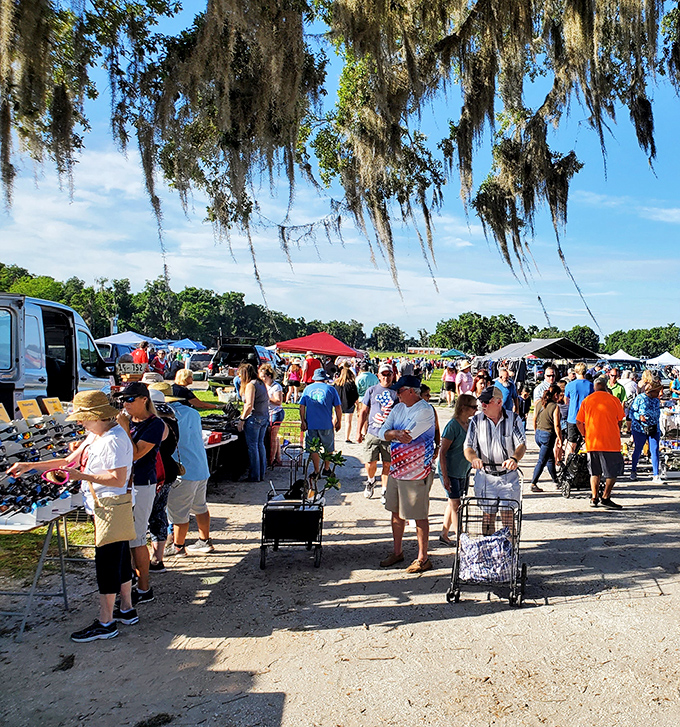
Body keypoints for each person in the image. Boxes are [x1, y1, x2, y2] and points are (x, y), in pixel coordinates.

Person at [8, 391, 134, 642]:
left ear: (96, 416)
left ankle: (106, 622)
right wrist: (30, 466)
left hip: (109, 506)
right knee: (118, 558)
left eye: (83, 418)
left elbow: (118, 478)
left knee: (107, 563)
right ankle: (127, 609)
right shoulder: (97, 435)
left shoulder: (113, 440)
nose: (79, 423)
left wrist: (82, 477)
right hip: (105, 505)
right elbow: (67, 461)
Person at [115, 381, 166, 605]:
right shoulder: (127, 420)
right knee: (127, 537)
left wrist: (124, 427)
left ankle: (144, 587)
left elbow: (135, 454)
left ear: (144, 399)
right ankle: (130, 583)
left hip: (143, 483)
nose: (125, 404)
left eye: (129, 399)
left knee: (137, 536)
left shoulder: (155, 424)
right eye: (122, 400)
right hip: (124, 483)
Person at [378, 375, 436, 574]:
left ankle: (423, 557)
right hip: (396, 468)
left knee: (419, 515)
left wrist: (392, 434)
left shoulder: (426, 411)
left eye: (400, 390)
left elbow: (408, 436)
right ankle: (397, 551)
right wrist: (394, 434)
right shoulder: (398, 408)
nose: (396, 394)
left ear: (411, 391)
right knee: (395, 512)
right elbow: (381, 431)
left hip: (416, 470)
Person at [160, 383, 215, 556]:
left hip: (182, 470)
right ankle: (204, 540)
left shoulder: (165, 417)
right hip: (200, 467)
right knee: (200, 507)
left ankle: (177, 546)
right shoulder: (193, 413)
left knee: (178, 514)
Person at [464, 386, 526, 534]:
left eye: (486, 402)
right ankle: (488, 549)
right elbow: (468, 447)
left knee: (508, 516)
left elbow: (521, 445)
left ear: (499, 402)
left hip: (507, 476)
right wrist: (474, 459)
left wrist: (514, 458)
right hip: (486, 476)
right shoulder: (476, 421)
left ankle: (509, 552)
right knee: (487, 515)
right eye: (481, 402)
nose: (482, 405)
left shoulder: (514, 419)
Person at [576, 377, 626, 509]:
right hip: (611, 442)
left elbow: (579, 421)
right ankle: (605, 497)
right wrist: (616, 430)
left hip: (592, 442)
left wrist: (584, 435)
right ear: (605, 386)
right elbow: (620, 420)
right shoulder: (614, 400)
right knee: (612, 473)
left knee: (594, 472)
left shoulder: (587, 401)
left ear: (594, 387)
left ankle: (594, 497)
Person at [146, 385, 180, 572]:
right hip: (167, 471)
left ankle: (147, 561)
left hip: (156, 473)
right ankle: (157, 559)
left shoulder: (157, 423)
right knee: (159, 514)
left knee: (148, 516)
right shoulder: (172, 419)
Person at [438, 393, 477, 545]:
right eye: (473, 407)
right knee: (456, 504)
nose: (475, 410)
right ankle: (461, 538)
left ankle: (444, 533)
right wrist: (445, 476)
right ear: (463, 407)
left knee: (452, 503)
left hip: (463, 471)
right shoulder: (452, 426)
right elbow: (442, 452)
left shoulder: (469, 424)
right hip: (450, 471)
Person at [357, 363, 398, 500]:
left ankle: (385, 490)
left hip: (390, 435)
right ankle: (370, 480)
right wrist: (359, 431)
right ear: (378, 376)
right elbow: (363, 411)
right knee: (370, 462)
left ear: (393, 375)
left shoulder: (397, 392)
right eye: (384, 375)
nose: (386, 377)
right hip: (373, 432)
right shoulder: (372, 390)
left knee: (388, 463)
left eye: (389, 374)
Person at [299, 368, 342, 478]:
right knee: (328, 448)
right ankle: (326, 469)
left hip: (311, 424)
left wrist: (303, 420)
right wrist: (338, 421)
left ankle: (316, 470)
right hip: (326, 424)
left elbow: (302, 406)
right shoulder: (331, 389)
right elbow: (338, 407)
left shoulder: (308, 389)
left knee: (314, 448)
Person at [236, 363, 270, 482]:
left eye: (240, 376)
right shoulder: (261, 383)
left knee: (253, 447)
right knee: (260, 445)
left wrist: (241, 420)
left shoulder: (251, 385)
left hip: (254, 418)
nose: (239, 378)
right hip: (264, 417)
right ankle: (261, 473)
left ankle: (254, 475)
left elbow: (249, 405)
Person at [629, 379, 663, 484]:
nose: (658, 394)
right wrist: (639, 417)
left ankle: (656, 475)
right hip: (640, 428)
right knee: (638, 449)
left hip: (653, 428)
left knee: (655, 450)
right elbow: (632, 412)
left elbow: (657, 412)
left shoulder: (656, 401)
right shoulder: (640, 399)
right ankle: (633, 470)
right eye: (656, 392)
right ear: (650, 391)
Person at [530, 384, 563, 492]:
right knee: (542, 460)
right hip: (548, 435)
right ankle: (533, 483)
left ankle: (556, 481)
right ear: (556, 395)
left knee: (550, 458)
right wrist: (560, 438)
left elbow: (534, 419)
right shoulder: (555, 407)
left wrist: (536, 431)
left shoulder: (539, 403)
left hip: (539, 434)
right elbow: (557, 425)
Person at [564, 362, 594, 455]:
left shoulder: (570, 385)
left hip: (572, 417)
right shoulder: (590, 385)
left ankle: (568, 464)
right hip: (586, 418)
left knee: (571, 444)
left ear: (575, 371)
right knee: (585, 443)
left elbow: (566, 400)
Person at [259, 363, 284, 467]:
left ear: (268, 376)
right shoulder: (263, 386)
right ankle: (278, 458)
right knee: (273, 437)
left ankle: (271, 461)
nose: (261, 379)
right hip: (267, 412)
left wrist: (266, 398)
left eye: (263, 377)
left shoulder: (276, 387)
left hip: (275, 413)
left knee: (272, 438)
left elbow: (278, 401)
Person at [334, 363, 359, 443]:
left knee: (335, 419)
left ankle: (331, 434)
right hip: (349, 404)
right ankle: (346, 437)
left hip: (338, 404)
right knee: (348, 421)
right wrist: (357, 405)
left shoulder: (336, 384)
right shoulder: (351, 384)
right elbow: (355, 396)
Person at [355, 361, 379, 439]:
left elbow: (356, 389)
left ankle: (364, 431)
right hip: (373, 398)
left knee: (363, 415)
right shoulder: (374, 377)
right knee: (371, 415)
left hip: (362, 398)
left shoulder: (358, 378)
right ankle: (368, 430)